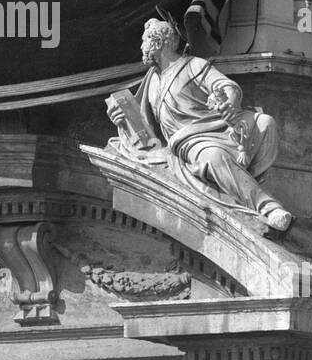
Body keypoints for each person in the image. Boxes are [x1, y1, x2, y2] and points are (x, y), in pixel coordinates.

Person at [107, 18, 294, 234]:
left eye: (143, 42)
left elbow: (226, 86)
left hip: (217, 127)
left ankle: (242, 184)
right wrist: (121, 119)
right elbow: (142, 130)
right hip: (188, 141)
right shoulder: (152, 80)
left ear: (158, 43)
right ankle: (267, 206)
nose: (140, 47)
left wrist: (229, 102)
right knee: (213, 156)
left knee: (266, 123)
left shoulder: (193, 65)